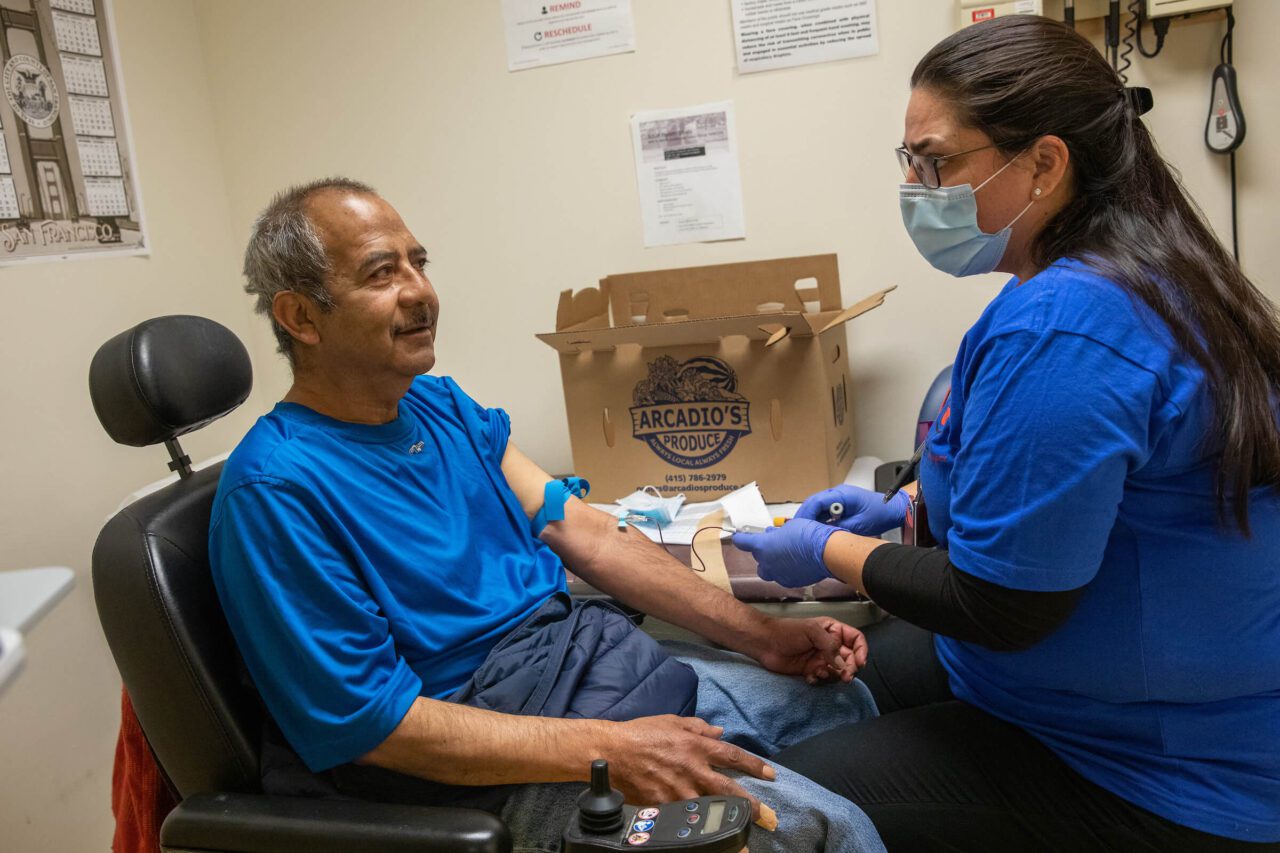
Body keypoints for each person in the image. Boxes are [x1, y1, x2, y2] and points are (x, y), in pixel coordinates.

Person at [732, 16, 1280, 852]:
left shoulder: (1067, 326)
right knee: (812, 683)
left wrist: (821, 550)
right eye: (907, 161)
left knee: (779, 803)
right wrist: (907, 500)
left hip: (1155, 765)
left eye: (937, 161)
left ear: (1047, 163)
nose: (917, 186)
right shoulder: (1142, 273)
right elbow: (1046, 477)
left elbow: (999, 605)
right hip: (1095, 683)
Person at [208, 177, 887, 852]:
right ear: (301, 317)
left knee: (843, 705)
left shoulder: (439, 406)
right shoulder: (275, 491)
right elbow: (377, 726)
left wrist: (761, 634)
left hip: (578, 675)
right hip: (489, 767)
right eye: (382, 273)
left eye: (419, 262)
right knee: (834, 831)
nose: (420, 291)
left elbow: (583, 529)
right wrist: (613, 749)